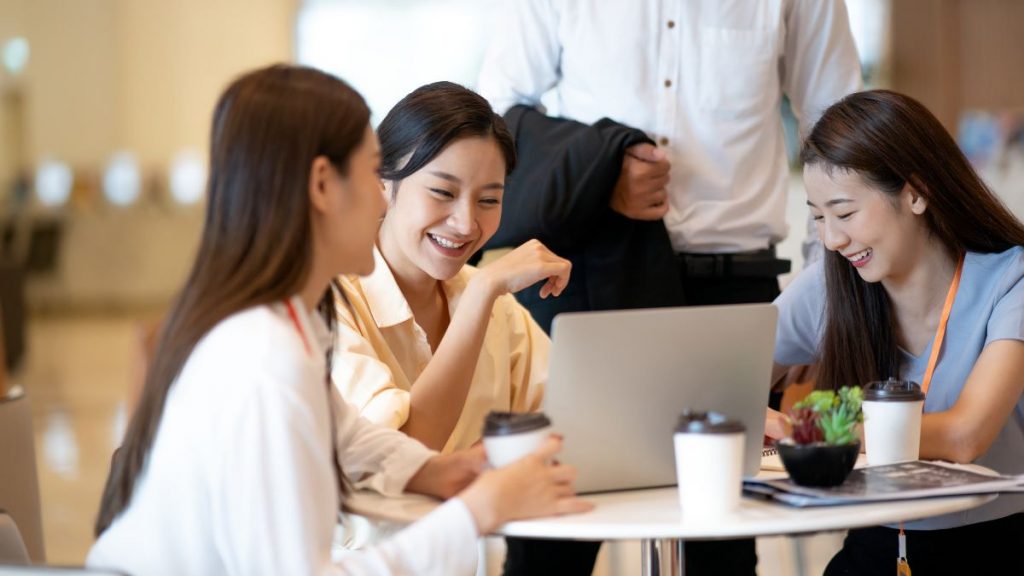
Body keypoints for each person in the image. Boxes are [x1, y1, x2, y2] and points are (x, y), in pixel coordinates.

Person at [87, 64, 589, 576]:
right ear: (324, 185)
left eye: (488, 198)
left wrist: (443, 472)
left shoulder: (287, 323)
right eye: (373, 171)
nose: (381, 194)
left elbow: (352, 438)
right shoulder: (265, 360)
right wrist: (475, 513)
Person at [476, 1, 862, 573]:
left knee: (723, 539)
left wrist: (822, 296)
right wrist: (599, 173)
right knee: (553, 529)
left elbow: (836, 124)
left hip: (733, 286)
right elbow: (498, 113)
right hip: (588, 279)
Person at [769, 89, 1024, 574]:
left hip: (995, 549)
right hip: (874, 545)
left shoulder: (1012, 279)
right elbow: (723, 372)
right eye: (818, 217)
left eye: (844, 214)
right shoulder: (831, 283)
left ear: (915, 192)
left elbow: (965, 435)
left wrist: (805, 430)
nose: (831, 239)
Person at [331, 81, 571, 455]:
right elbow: (399, 457)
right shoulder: (330, 302)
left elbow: (571, 421)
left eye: (489, 199)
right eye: (443, 193)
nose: (466, 224)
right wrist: (481, 294)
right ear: (380, 182)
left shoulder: (493, 300)